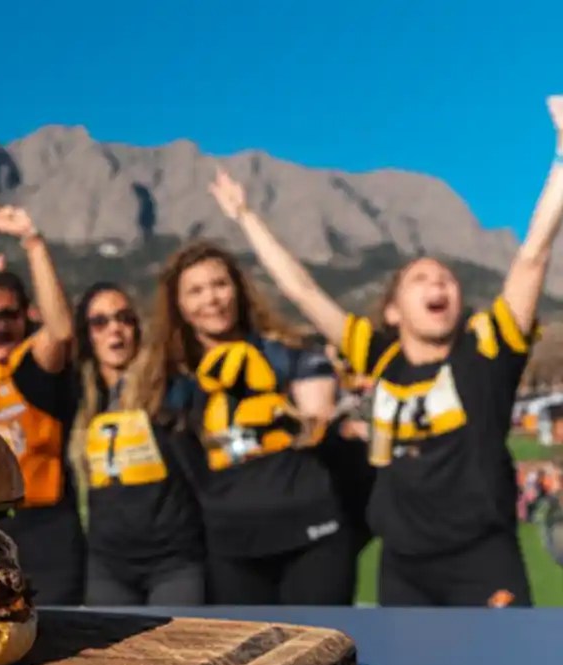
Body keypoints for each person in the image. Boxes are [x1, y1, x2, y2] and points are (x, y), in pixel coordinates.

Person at [203, 97, 563, 607]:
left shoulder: (484, 356)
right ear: (392, 312)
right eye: (420, 278)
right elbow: (304, 292)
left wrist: (562, 158)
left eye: (447, 278)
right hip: (401, 568)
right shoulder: (378, 358)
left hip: (481, 561)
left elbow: (531, 258)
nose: (438, 282)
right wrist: (245, 216)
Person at [142, 240, 353, 606]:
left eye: (220, 284)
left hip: (312, 536)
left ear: (238, 290)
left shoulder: (284, 356)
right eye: (196, 290)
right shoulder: (175, 385)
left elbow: (317, 422)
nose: (212, 299)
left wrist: (300, 410)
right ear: (179, 307)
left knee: (325, 654)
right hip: (232, 549)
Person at [0, 206, 85, 606]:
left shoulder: (35, 368)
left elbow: (62, 330)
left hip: (47, 528)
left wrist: (33, 243)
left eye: (8, 315)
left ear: (25, 316)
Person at [69, 282, 205, 606]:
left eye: (124, 318)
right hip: (108, 565)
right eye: (100, 322)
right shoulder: (80, 397)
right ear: (88, 335)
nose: (114, 329)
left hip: (174, 561)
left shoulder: (168, 389)